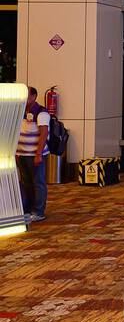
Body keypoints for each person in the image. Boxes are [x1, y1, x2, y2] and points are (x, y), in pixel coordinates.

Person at [16, 86, 50, 223]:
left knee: (38, 182)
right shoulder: (21, 111)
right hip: (22, 153)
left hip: (35, 154)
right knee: (27, 182)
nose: (24, 99)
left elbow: (43, 134)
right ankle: (29, 209)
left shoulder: (41, 113)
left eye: (27, 96)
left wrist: (38, 154)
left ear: (34, 97)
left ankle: (39, 211)